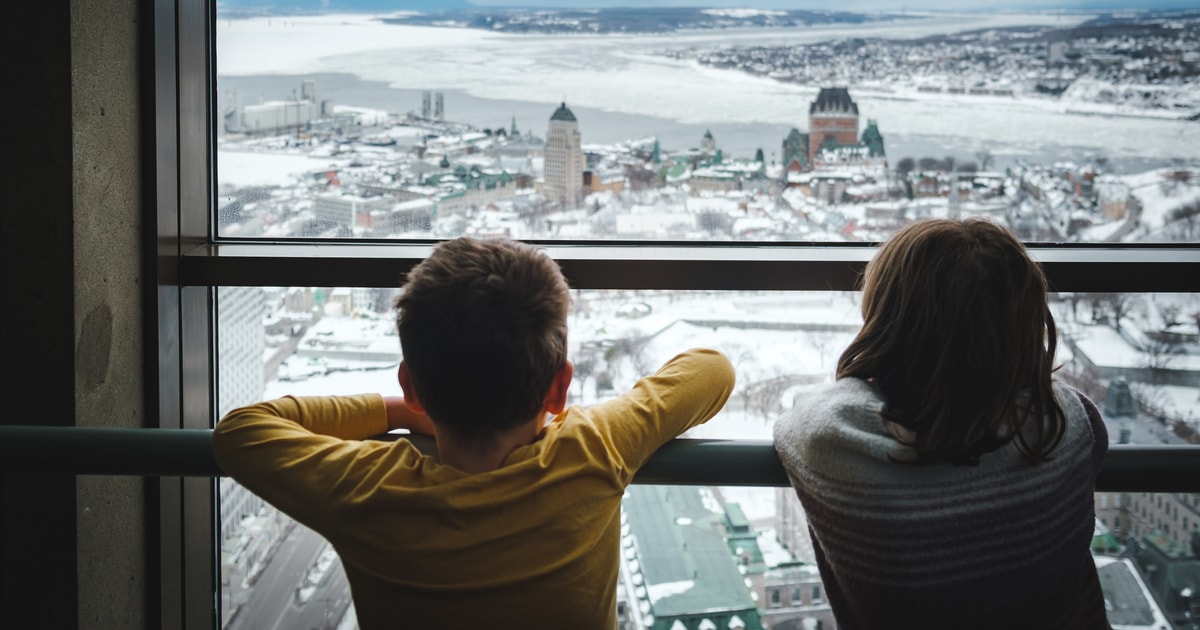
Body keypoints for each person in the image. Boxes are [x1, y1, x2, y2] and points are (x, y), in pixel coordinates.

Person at [212, 236, 734, 629]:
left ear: (412, 385)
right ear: (558, 389)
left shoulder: (365, 488)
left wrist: (398, 413)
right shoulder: (594, 448)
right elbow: (713, 370)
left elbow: (241, 431)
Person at [773, 218, 1111, 629]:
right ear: (1026, 322)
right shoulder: (1069, 424)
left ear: (887, 319)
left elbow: (801, 416)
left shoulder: (833, 441)